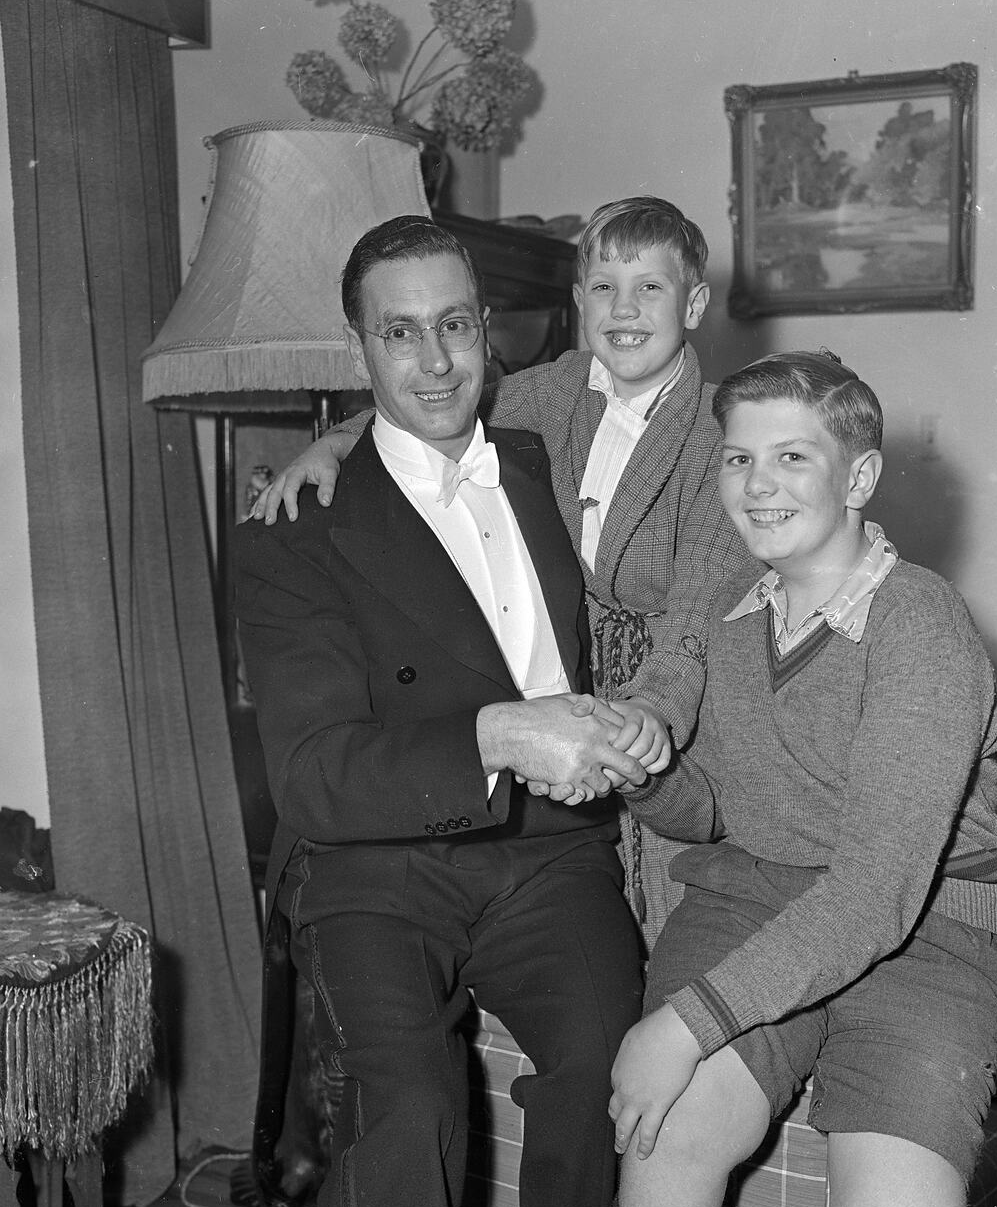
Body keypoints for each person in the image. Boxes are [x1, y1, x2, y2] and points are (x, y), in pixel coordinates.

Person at [235, 215, 670, 1207]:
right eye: (399, 333)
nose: (432, 361)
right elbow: (314, 774)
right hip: (374, 865)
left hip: (547, 859)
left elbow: (680, 390)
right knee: (405, 1107)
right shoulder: (292, 525)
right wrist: (495, 733)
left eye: (455, 325)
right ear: (359, 347)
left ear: (493, 332)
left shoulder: (541, 453)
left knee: (608, 1064)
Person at [597, 351, 997, 1207]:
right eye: (738, 457)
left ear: (860, 478)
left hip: (927, 934)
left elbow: (877, 895)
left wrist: (682, 1023)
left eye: (792, 456)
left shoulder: (919, 624)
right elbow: (722, 814)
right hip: (754, 899)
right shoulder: (734, 617)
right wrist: (644, 775)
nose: (758, 483)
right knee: (670, 1130)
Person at [251, 196, 752, 927]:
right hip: (568, 718)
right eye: (605, 289)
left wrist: (651, 714)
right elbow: (438, 403)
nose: (626, 310)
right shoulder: (554, 393)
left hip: (674, 708)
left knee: (671, 925)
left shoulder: (722, 435)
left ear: (696, 303)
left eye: (652, 288)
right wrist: (333, 443)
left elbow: (697, 618)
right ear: (579, 302)